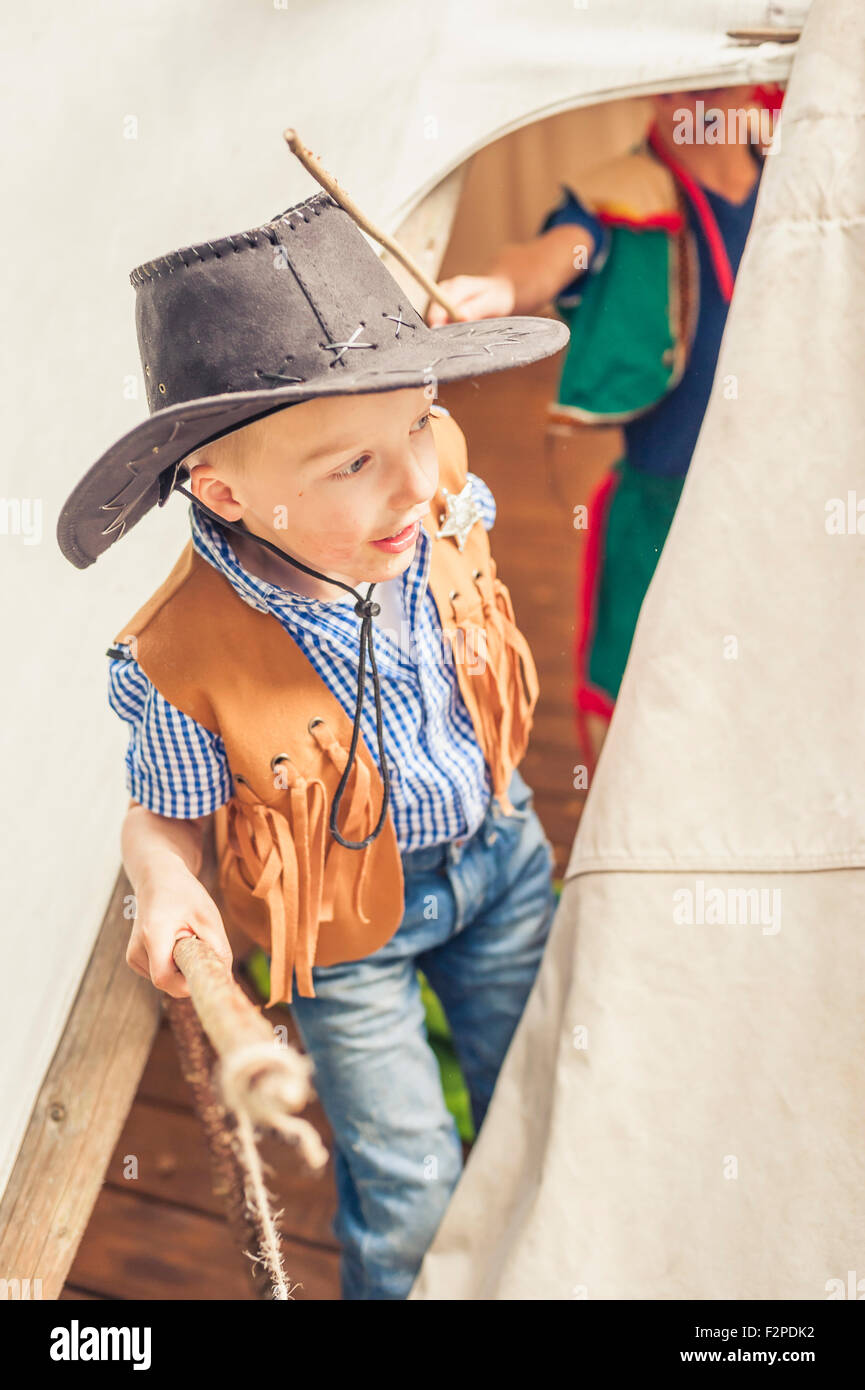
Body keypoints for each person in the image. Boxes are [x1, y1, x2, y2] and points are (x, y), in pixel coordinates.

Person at [56, 188, 570, 1299]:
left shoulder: (428, 502)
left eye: (420, 423)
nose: (418, 483)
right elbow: (168, 817)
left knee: (548, 1097)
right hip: (345, 935)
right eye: (352, 464)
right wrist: (162, 882)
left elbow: (428, 485)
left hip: (503, 856)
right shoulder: (186, 657)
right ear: (224, 490)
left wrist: (398, 454)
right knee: (409, 1180)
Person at [429, 86, 775, 765]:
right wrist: (504, 289)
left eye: (708, 75)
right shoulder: (618, 195)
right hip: (665, 501)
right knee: (645, 686)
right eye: (674, 77)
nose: (692, 94)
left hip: (788, 497)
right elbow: (555, 252)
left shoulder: (803, 171)